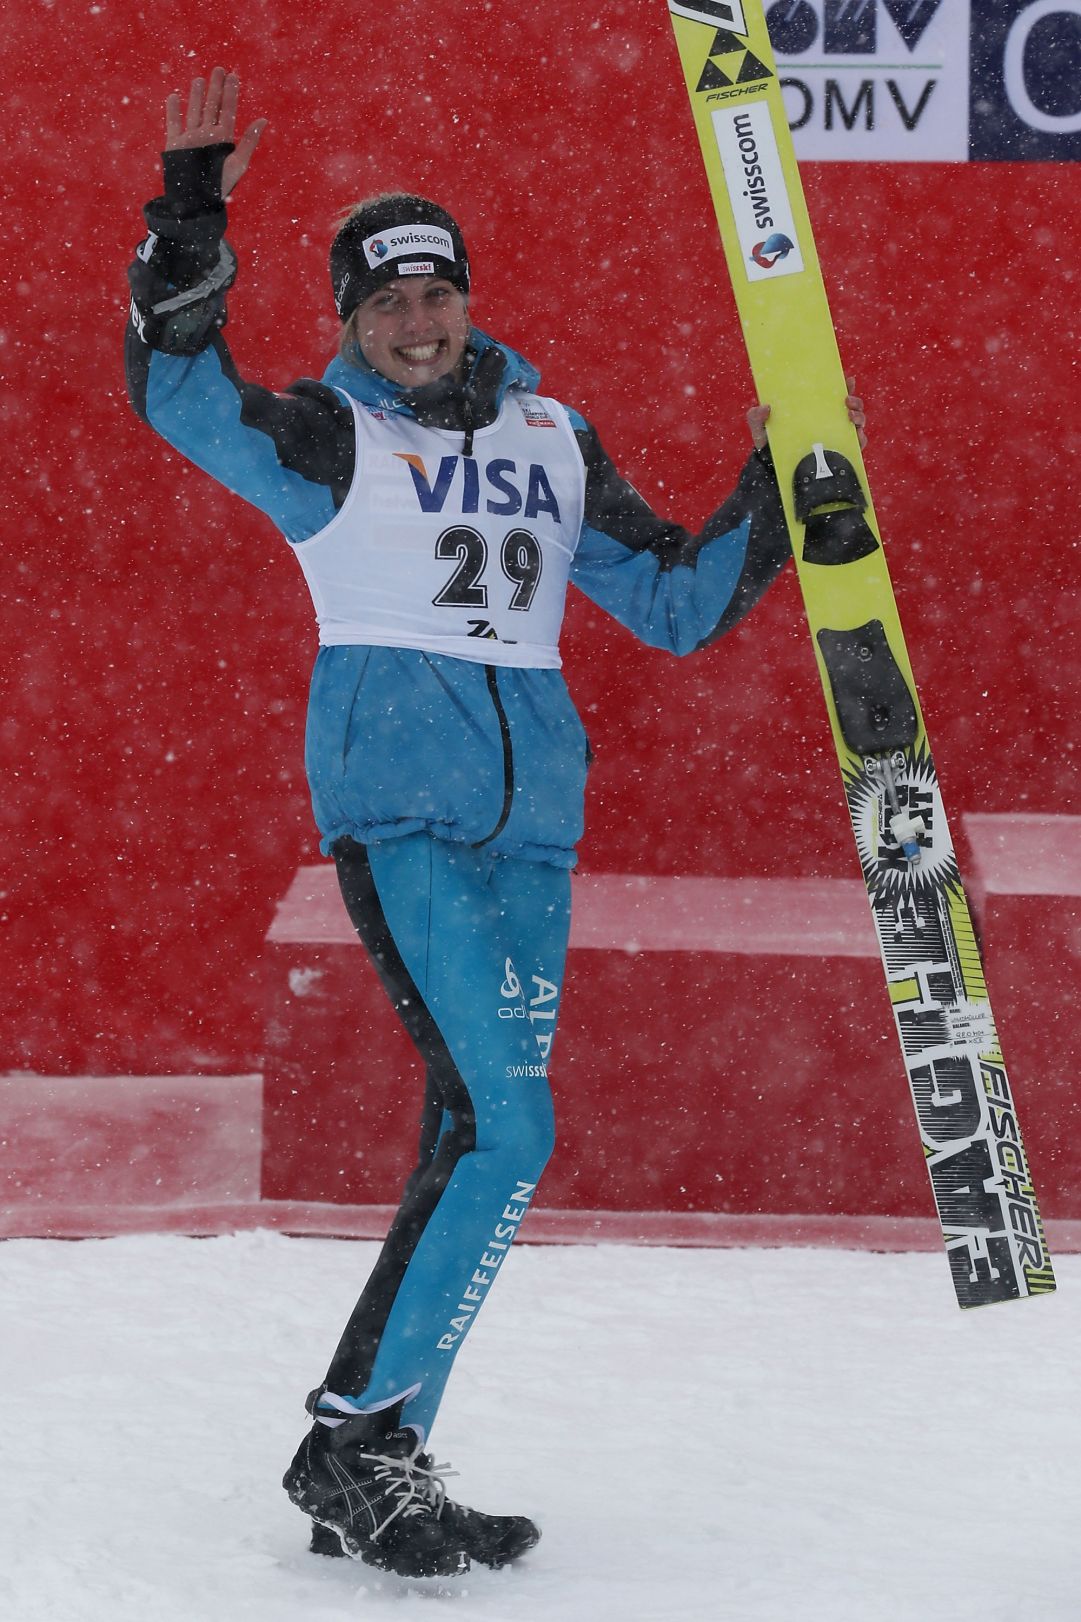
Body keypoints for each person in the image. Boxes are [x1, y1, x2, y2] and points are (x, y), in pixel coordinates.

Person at [125, 68, 865, 1580]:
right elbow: (178, 395)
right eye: (385, 300)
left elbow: (671, 603)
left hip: (533, 838)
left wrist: (777, 484)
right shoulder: (327, 438)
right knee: (507, 1127)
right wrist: (189, 220)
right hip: (405, 824)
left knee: (477, 1140)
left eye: (436, 292)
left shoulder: (550, 435)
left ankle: (382, 1452)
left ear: (466, 300)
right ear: (348, 319)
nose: (416, 319)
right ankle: (354, 1443)